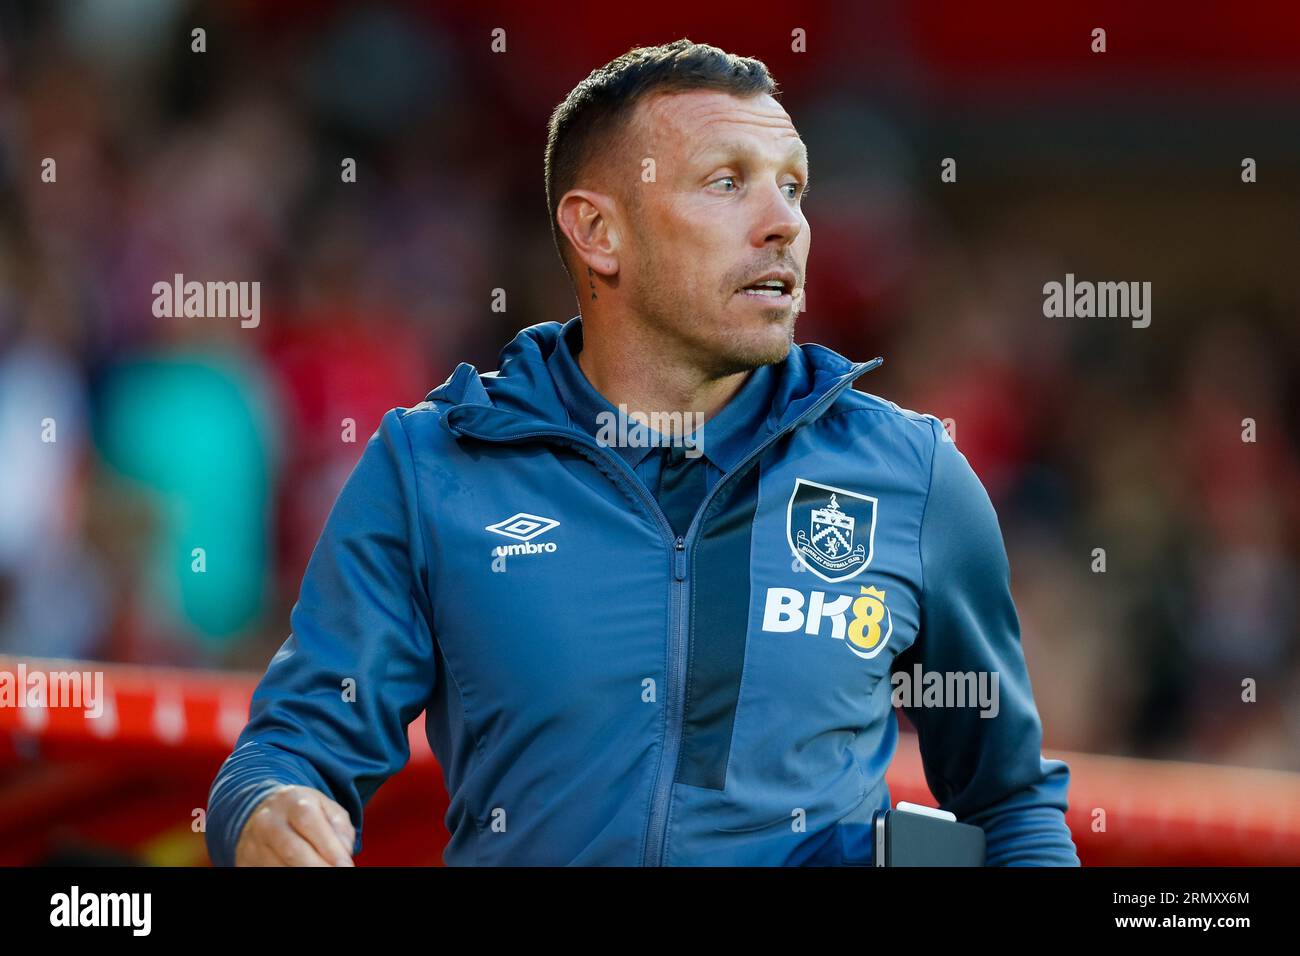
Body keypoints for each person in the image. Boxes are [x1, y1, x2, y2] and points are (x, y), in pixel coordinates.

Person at [206, 39, 1079, 866]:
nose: (786, 225)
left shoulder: (914, 475)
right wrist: (270, 810)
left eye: (795, 188)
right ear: (598, 233)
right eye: (728, 183)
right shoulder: (432, 467)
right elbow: (294, 747)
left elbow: (1009, 802)